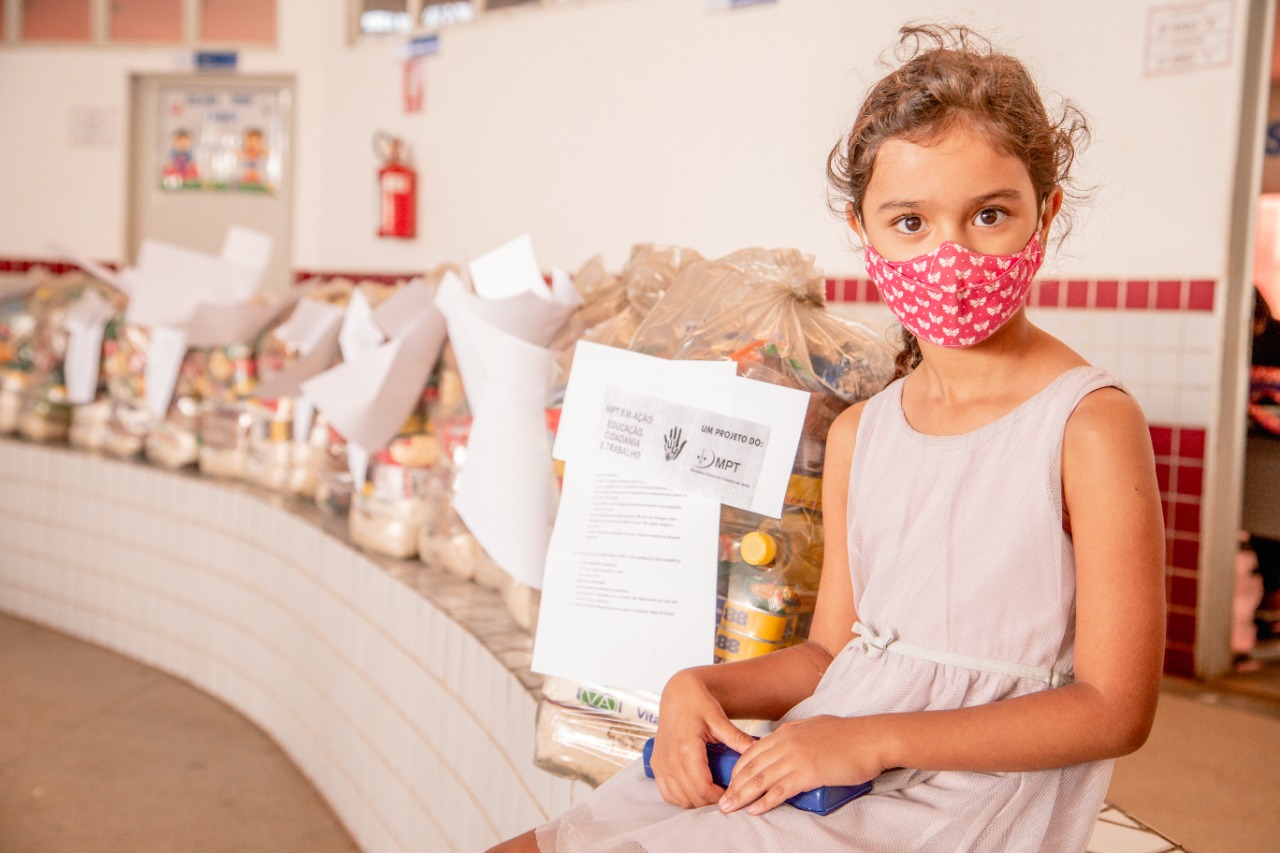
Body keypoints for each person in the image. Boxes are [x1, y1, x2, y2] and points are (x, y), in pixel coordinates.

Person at [490, 24, 1165, 853]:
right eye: (909, 221)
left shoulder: (1087, 424)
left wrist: (872, 738)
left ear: (1045, 213)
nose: (950, 255)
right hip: (829, 757)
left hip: (961, 802)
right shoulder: (862, 432)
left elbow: (1114, 707)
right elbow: (829, 652)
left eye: (990, 214)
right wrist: (694, 684)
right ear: (864, 230)